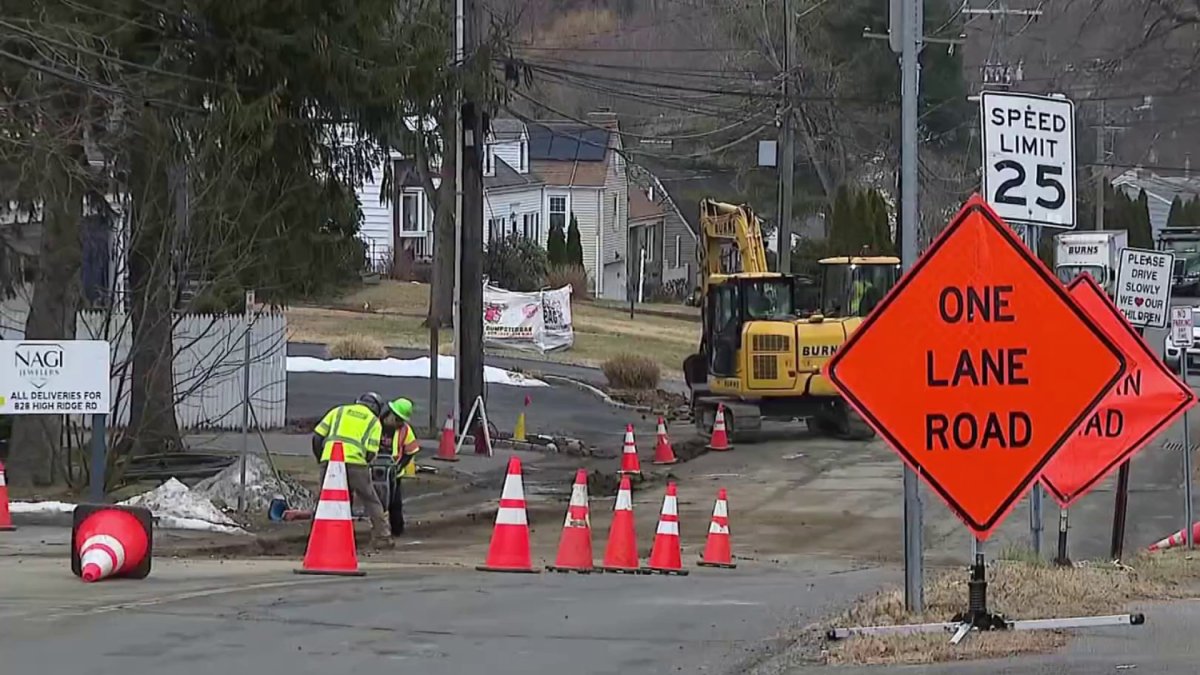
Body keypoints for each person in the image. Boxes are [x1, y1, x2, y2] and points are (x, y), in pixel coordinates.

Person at [311, 392, 393, 549]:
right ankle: (382, 537)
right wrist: (363, 464)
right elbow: (371, 451)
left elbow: (317, 437)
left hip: (330, 461)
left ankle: (319, 537)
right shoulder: (373, 421)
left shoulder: (338, 411)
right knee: (370, 499)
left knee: (325, 500)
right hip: (355, 463)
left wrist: (321, 459)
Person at [382, 397, 421, 536]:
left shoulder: (405, 430)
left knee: (395, 504)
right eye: (397, 419)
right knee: (375, 503)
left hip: (393, 473)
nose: (399, 423)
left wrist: (400, 466)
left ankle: (397, 530)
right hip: (373, 470)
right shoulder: (375, 425)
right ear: (391, 413)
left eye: (402, 420)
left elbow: (411, 450)